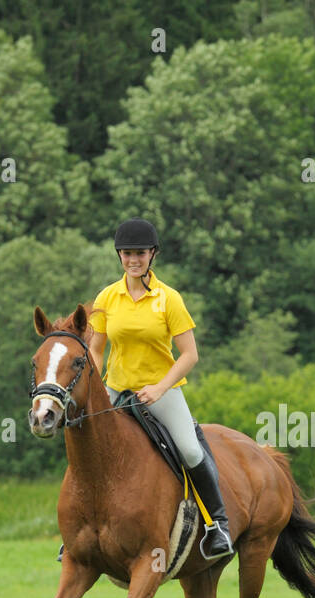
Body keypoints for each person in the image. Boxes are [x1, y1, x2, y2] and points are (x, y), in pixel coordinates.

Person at [86, 218, 233, 560]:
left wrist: (159, 387)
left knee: (191, 450)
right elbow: (95, 349)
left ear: (152, 254)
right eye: (126, 254)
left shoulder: (169, 299)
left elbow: (190, 355)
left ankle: (218, 526)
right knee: (85, 441)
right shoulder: (107, 297)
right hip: (116, 390)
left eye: (139, 253)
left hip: (161, 392)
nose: (133, 259)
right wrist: (96, 389)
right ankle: (78, 527)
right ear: (119, 256)